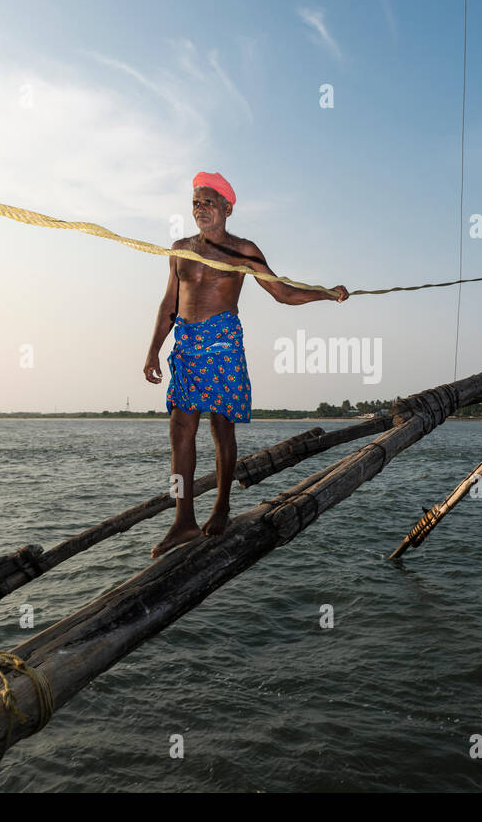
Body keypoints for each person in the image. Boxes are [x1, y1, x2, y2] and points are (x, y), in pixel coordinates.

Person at [143, 171, 349, 557]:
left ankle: (221, 504)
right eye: (195, 203)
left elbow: (283, 292)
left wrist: (325, 293)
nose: (200, 209)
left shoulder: (243, 251)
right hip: (185, 347)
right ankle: (182, 520)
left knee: (222, 429)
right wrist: (154, 348)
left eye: (208, 202)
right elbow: (169, 304)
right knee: (179, 434)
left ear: (227, 207)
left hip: (223, 345)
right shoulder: (180, 249)